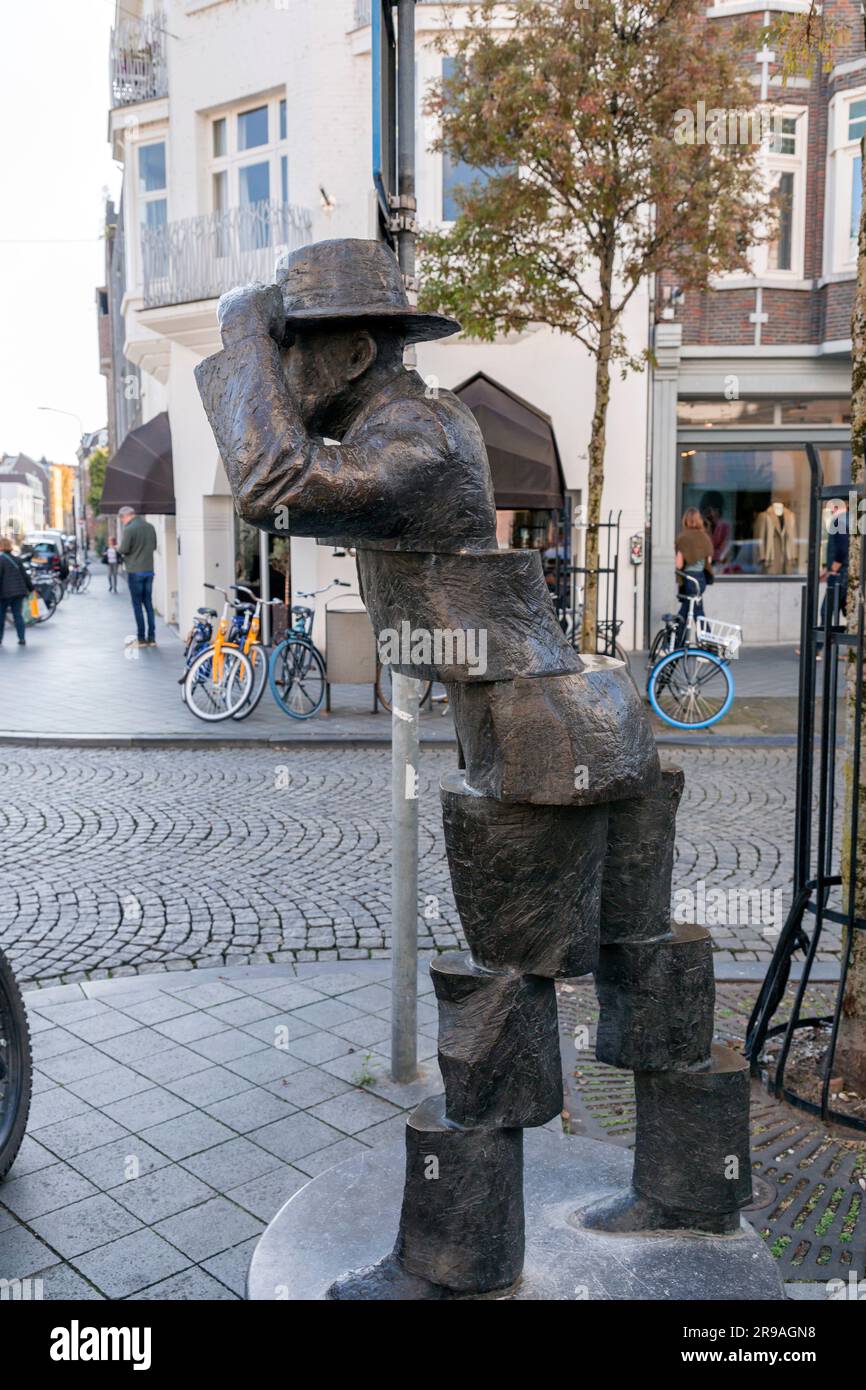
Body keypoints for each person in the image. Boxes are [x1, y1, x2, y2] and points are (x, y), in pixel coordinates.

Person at [118, 506, 158, 647]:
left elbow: (123, 549)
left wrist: (118, 548)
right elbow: (154, 546)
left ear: (126, 516)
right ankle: (152, 638)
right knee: (148, 604)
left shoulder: (129, 529)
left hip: (135, 571)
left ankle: (141, 638)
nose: (122, 521)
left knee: (137, 605)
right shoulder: (150, 527)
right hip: (149, 570)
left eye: (121, 519)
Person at [674, 506, 714, 645]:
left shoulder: (683, 537)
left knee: (694, 613)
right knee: (689, 611)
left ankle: (708, 647)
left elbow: (679, 564)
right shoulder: (705, 537)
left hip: (689, 579)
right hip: (701, 580)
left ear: (685, 520)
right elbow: (708, 561)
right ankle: (675, 645)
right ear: (699, 520)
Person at [0, 536, 33, 646]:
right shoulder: (17, 559)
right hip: (19, 592)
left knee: (1, 616)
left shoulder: (1, 560)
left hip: (4, 594)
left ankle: (0, 639)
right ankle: (22, 638)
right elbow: (25, 576)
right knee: (18, 615)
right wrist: (32, 589)